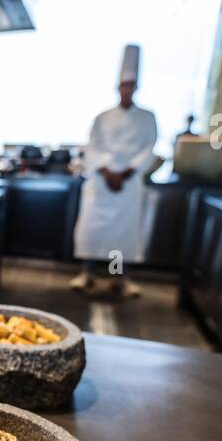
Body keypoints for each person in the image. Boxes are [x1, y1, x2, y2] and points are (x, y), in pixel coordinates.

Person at [70, 44, 158, 297]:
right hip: (101, 181)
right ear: (117, 88)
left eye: (130, 86)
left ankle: (118, 277)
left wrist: (127, 172)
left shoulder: (147, 118)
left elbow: (149, 148)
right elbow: (92, 147)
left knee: (121, 234)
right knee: (92, 230)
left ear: (136, 88)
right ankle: (86, 273)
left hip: (129, 184)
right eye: (123, 86)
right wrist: (108, 172)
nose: (126, 91)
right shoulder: (103, 117)